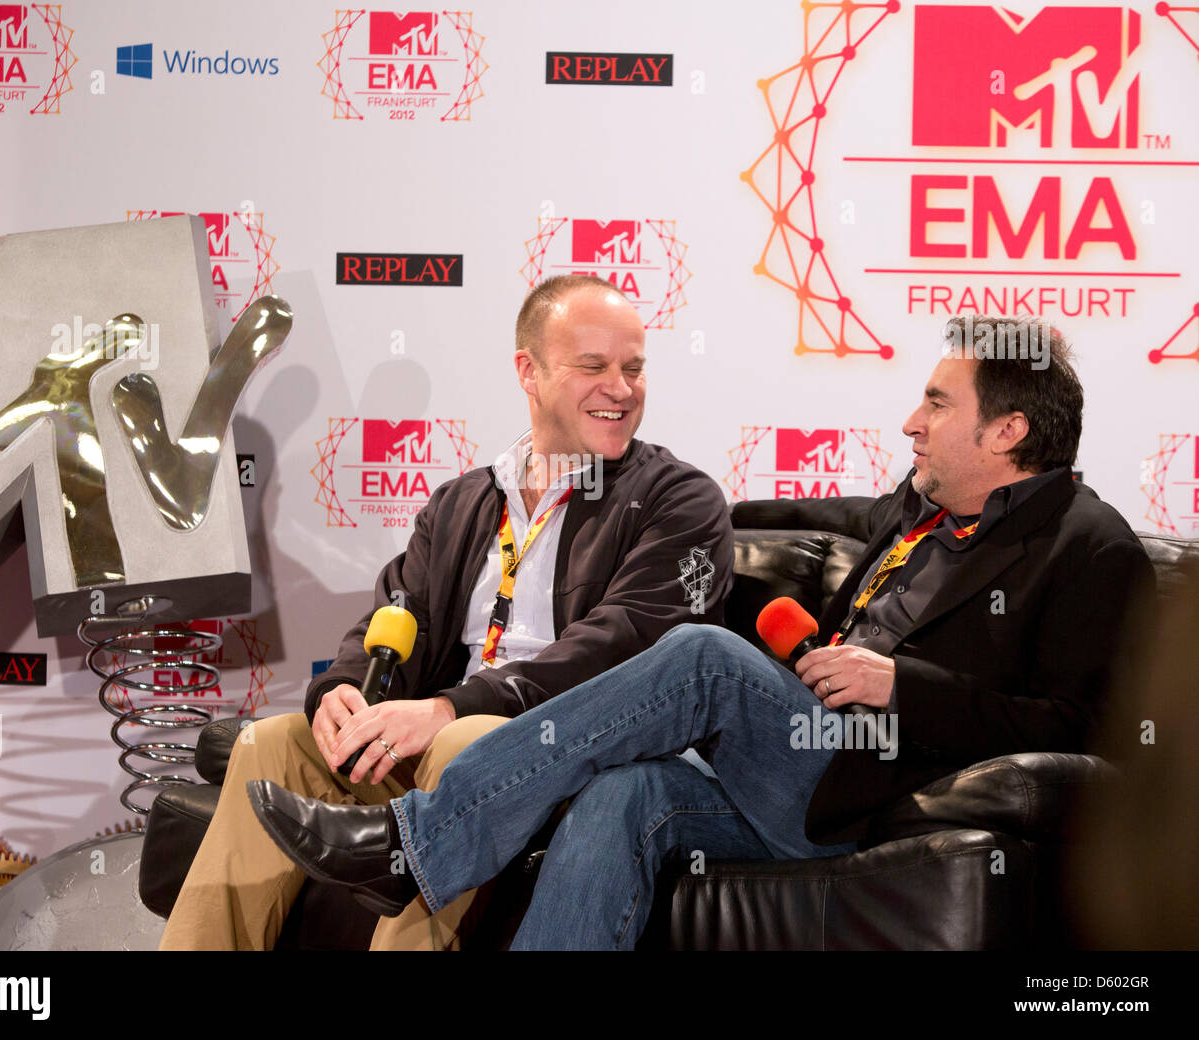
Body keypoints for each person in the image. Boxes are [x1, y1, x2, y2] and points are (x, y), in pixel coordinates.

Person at [248, 315, 1157, 949]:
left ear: (1008, 430)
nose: (910, 423)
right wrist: (700, 513)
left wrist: (902, 688)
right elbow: (800, 511)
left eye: (936, 405)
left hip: (883, 784)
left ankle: (413, 845)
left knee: (702, 656)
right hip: (798, 769)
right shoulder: (913, 513)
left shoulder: (1088, 547)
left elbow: (1084, 731)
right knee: (626, 794)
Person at [158, 274, 734, 950]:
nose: (622, 388)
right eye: (594, 367)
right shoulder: (462, 502)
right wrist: (345, 686)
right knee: (274, 745)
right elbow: (402, 609)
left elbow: (625, 650)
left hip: (566, 753)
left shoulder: (679, 500)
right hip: (446, 732)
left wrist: (451, 709)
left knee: (465, 745)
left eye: (633, 369)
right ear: (530, 370)